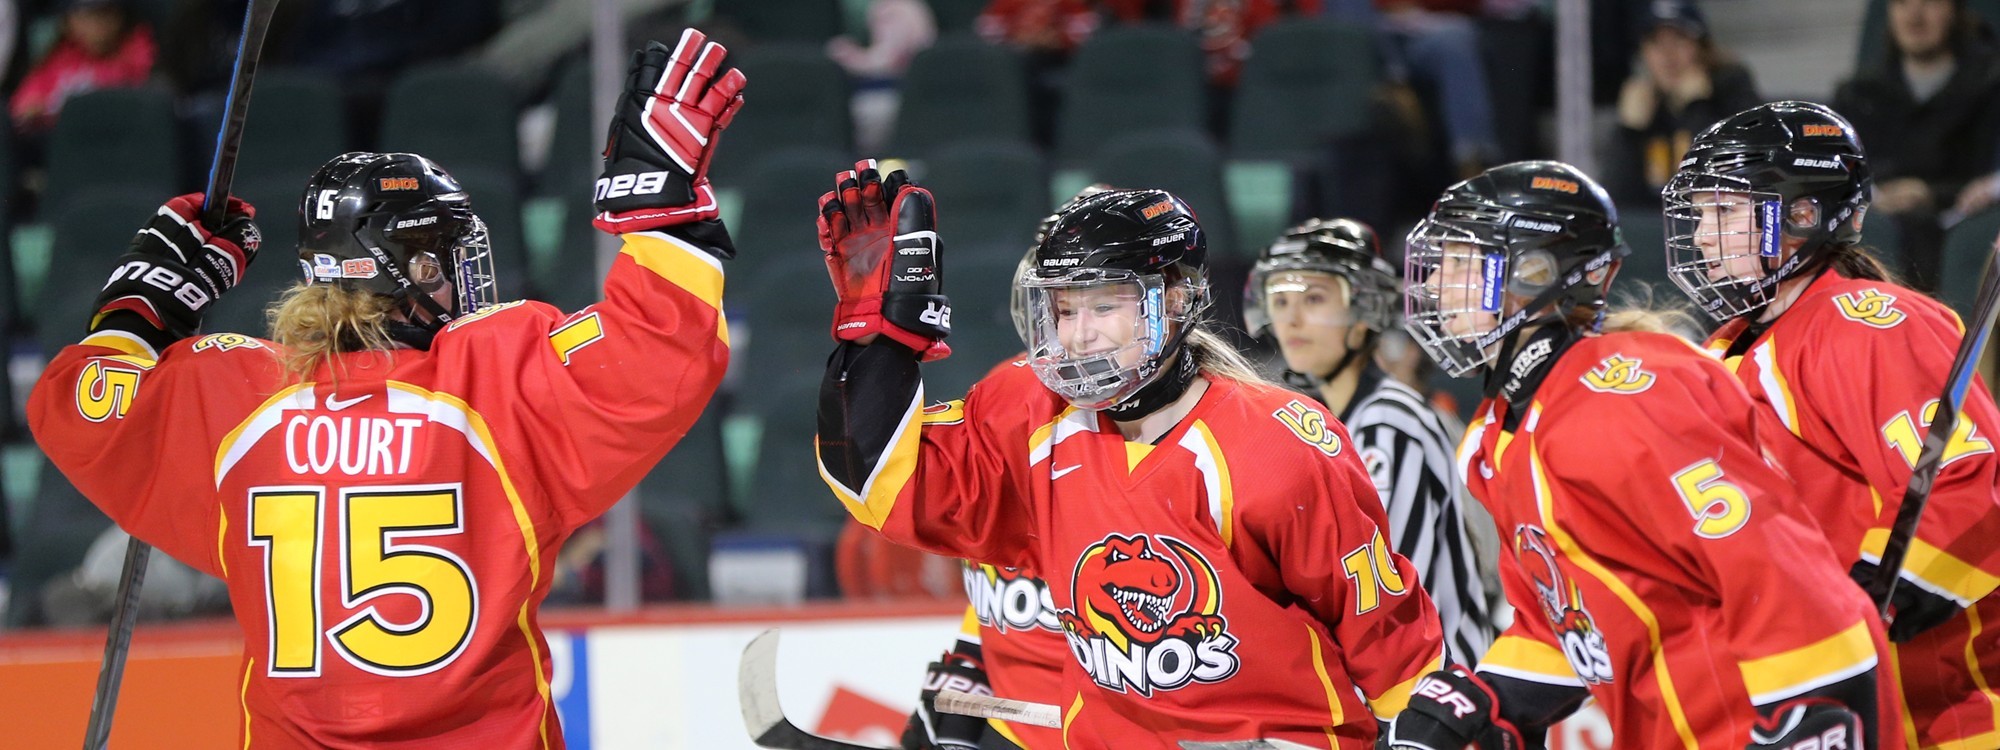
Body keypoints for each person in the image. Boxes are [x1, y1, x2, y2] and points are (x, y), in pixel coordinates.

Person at [26, 28, 744, 747]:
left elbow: (77, 405)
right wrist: (662, 208)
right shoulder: (492, 384)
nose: (459, 275)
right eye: (441, 257)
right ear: (402, 270)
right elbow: (661, 349)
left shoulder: (233, 398)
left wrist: (141, 310)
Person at [815, 171, 1447, 748]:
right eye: (1064, 309)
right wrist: (880, 336)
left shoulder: (1277, 445)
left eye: (1105, 305)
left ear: (1176, 299)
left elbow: (1390, 645)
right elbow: (882, 484)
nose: (1078, 334)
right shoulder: (1028, 407)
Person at [1387, 160, 1899, 750]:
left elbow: (1778, 571)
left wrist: (1818, 715)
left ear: (1534, 273)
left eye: (1460, 263)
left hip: (1747, 728)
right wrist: (1488, 699)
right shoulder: (1498, 434)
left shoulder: (1621, 399)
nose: (1432, 286)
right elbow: (1571, 622)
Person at [1663, 100, 2000, 750]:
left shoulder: (1865, 324)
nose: (1704, 235)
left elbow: (1966, 484)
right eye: (1701, 213)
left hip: (1944, 718)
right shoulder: (1726, 349)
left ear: (1803, 214)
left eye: (1724, 212)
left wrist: (1870, 598)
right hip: (1819, 713)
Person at [1243, 217, 1498, 668]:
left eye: (1314, 298)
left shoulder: (1391, 423)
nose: (1290, 319)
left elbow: (1381, 595)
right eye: (1279, 301)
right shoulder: (1319, 424)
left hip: (1437, 691)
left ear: (1365, 313)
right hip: (1390, 683)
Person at [1833, 0, 2000, 289]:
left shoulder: (1991, 84)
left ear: (1955, 11)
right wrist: (1879, 193)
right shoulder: (1859, 93)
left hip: (1963, 215)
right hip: (1884, 216)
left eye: (1930, 2)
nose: (1914, 15)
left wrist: (1929, 192)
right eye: (1902, 3)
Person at [1607, 0, 1761, 204]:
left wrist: (1697, 106)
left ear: (1702, 47)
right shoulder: (1646, 104)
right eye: (1655, 42)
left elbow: (1728, 177)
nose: (1668, 55)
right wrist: (1630, 131)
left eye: (1679, 39)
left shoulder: (1731, 89)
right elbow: (1619, 199)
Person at [8, 0, 154, 135]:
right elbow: (21, 107)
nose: (96, 26)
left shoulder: (137, 51)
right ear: (67, 22)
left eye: (104, 14)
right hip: (61, 148)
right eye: (85, 17)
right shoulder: (57, 56)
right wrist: (34, 110)